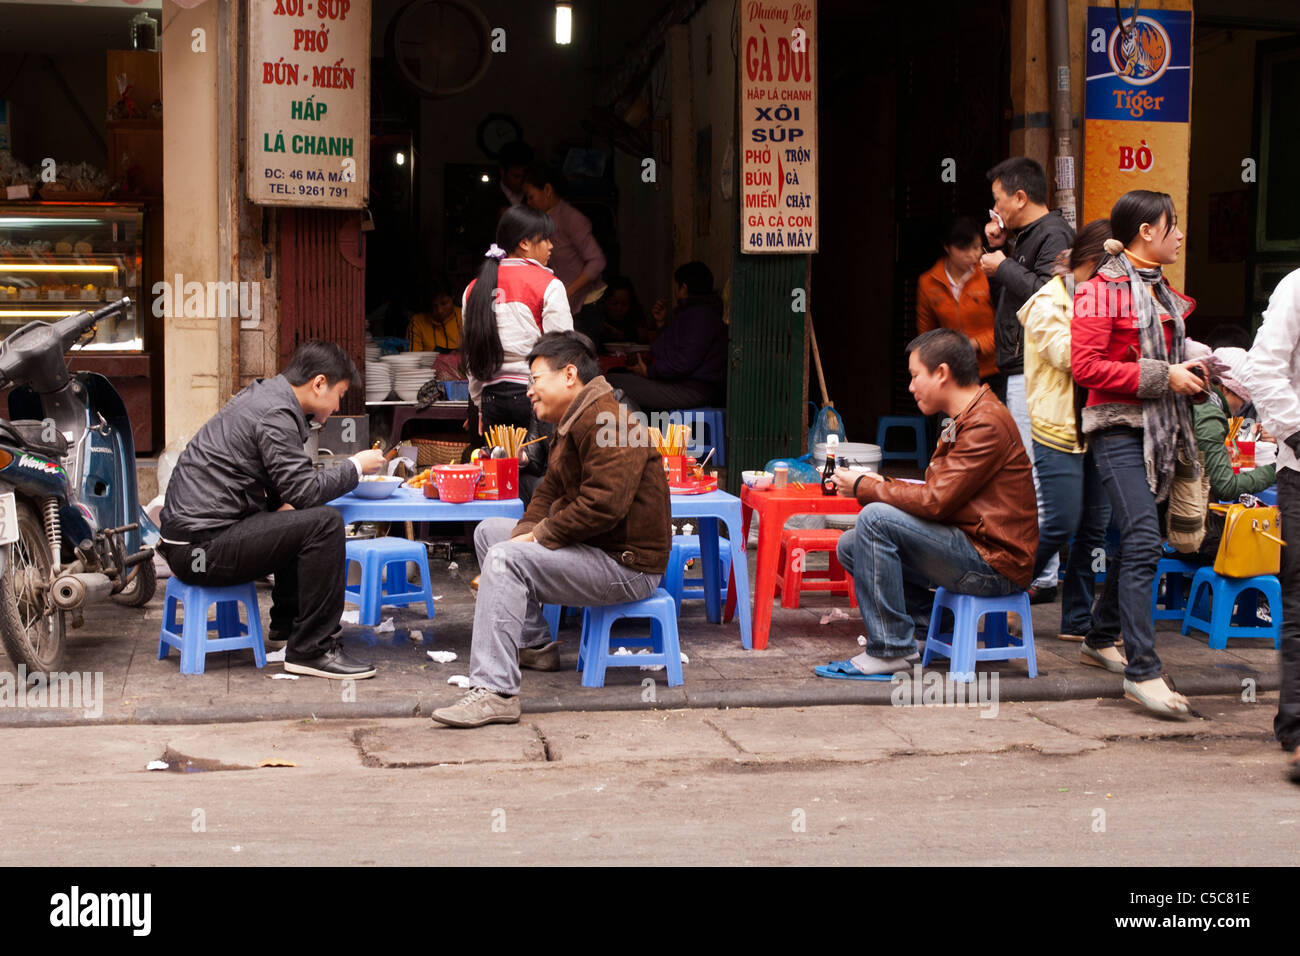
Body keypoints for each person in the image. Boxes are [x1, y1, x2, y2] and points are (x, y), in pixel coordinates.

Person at [431, 332, 671, 728]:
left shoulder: (611, 419)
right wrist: (524, 533)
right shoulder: (574, 419)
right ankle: (535, 644)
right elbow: (547, 493)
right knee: (491, 533)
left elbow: (603, 505)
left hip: (627, 565)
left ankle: (496, 692)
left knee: (506, 560)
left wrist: (539, 538)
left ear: (570, 375)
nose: (529, 391)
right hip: (596, 550)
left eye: (535, 379)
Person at [157, 341, 386, 680]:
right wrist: (354, 466)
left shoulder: (268, 398)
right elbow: (307, 491)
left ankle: (289, 625)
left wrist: (292, 500)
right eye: (339, 394)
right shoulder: (276, 412)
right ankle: (312, 649)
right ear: (319, 383)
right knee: (324, 524)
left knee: (295, 517)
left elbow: (291, 491)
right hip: (199, 548)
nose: (338, 406)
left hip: (193, 542)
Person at [816, 329, 1037, 678]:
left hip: (995, 562)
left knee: (874, 518)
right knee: (852, 544)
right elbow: (940, 492)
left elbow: (936, 503)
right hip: (970, 544)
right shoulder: (961, 418)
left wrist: (867, 488)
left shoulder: (985, 423)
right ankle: (922, 629)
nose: (911, 386)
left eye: (916, 376)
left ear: (943, 373)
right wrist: (879, 483)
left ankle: (891, 650)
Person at [1072, 189, 1208, 718]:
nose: (1179, 235)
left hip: (1161, 432)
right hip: (1118, 433)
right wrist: (1162, 376)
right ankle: (1143, 671)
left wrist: (1193, 370)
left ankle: (1099, 637)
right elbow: (1085, 369)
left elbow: (1164, 353)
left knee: (1136, 544)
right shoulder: (1099, 291)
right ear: (1146, 232)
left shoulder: (1161, 290)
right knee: (1145, 542)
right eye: (1172, 226)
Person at [1014, 218, 1113, 645]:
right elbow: (1072, 356)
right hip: (1058, 428)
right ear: (1091, 262)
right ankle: (999, 590)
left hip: (1101, 426)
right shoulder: (1046, 303)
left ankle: (1076, 619)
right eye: (1111, 268)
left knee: (1094, 528)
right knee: (1060, 521)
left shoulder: (1110, 300)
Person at [982, 157, 1076, 604]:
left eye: (999, 199)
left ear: (1020, 197)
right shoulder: (1027, 238)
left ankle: (1042, 575)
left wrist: (1001, 265)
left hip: (1035, 368)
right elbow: (1008, 299)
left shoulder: (1054, 234)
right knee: (1023, 468)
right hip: (1019, 365)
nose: (994, 208)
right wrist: (1002, 256)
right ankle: (1040, 570)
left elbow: (1048, 293)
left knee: (1030, 468)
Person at [1241, 269, 1300, 781]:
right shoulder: (1297, 287)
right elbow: (1262, 368)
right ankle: (1299, 726)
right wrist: (1298, 430)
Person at [461, 205, 573, 435]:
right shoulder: (548, 285)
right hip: (535, 398)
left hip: (491, 399)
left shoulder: (473, 289)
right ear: (524, 243)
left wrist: (480, 405)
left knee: (501, 469)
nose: (551, 246)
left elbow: (472, 355)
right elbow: (563, 352)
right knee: (540, 470)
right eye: (546, 239)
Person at [1185, 343, 1276, 560]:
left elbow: (1231, 454)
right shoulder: (1209, 414)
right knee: (1282, 544)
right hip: (1200, 531)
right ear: (1225, 389)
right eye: (1241, 400)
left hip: (1196, 520)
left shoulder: (1208, 408)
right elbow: (1227, 486)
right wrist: (1277, 467)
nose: (1242, 407)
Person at [608, 261, 727, 413]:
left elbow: (682, 362)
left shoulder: (700, 316)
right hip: (688, 385)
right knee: (618, 379)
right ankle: (641, 428)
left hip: (692, 390)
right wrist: (661, 324)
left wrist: (649, 372)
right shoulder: (698, 313)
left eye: (676, 286)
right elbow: (669, 350)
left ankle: (639, 431)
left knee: (608, 381)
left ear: (683, 288)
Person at [522, 164, 607, 333]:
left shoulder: (571, 217)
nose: (528, 203)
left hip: (586, 304)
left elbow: (597, 261)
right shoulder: (543, 220)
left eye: (531, 197)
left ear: (547, 189)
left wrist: (566, 292)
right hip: (564, 303)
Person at [916, 216, 998, 383]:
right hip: (950, 372)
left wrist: (974, 344)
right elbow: (926, 333)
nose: (972, 255)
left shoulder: (989, 277)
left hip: (991, 370)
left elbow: (1006, 328)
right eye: (964, 249)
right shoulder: (928, 282)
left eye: (976, 247)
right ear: (947, 247)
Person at [593, 275, 650, 347]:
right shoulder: (598, 318)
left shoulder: (635, 317)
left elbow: (644, 340)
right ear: (605, 302)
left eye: (624, 304)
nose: (619, 308)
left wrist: (624, 336)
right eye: (614, 303)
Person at [408, 284, 462, 353]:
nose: (440, 311)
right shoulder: (417, 323)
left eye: (444, 303)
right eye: (434, 306)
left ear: (452, 296)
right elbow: (413, 358)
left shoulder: (465, 317)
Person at [497, 140, 534, 208]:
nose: (522, 181)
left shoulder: (536, 196)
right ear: (502, 171)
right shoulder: (487, 197)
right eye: (516, 176)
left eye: (525, 175)